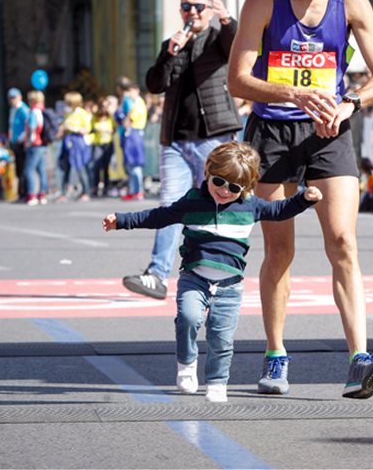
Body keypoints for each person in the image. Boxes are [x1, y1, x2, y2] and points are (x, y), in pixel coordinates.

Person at [227, 0, 373, 399]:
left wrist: (349, 104)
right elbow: (237, 80)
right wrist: (292, 94)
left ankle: (360, 359)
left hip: (330, 132)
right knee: (280, 249)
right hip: (273, 134)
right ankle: (276, 354)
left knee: (343, 239)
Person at [102, 141, 322, 403]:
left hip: (230, 285)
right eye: (218, 182)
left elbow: (279, 210)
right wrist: (122, 221)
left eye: (233, 187)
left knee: (221, 338)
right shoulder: (193, 202)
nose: (224, 191)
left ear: (246, 188)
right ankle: (187, 362)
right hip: (194, 278)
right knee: (188, 317)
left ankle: (217, 381)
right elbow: (159, 216)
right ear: (207, 173)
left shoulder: (250, 207)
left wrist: (303, 199)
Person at [121, 0, 243, 301]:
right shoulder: (173, 44)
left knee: (217, 207)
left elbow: (237, 47)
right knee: (171, 207)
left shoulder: (218, 39)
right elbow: (154, 83)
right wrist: (168, 53)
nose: (193, 13)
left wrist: (227, 18)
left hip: (212, 137)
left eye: (199, 7)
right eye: (187, 7)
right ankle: (157, 275)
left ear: (210, 10)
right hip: (175, 141)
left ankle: (219, 273)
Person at [116, 82, 149, 201]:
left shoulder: (139, 103)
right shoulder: (134, 103)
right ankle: (133, 190)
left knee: (135, 164)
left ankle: (138, 191)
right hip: (131, 134)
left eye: (131, 91)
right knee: (130, 165)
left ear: (137, 90)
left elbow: (128, 120)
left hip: (135, 134)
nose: (129, 94)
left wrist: (125, 119)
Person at [58, 91, 93, 202]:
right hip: (67, 141)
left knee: (80, 166)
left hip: (77, 142)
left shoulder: (82, 114)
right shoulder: (67, 113)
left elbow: (87, 129)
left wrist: (74, 129)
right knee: (66, 167)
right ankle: (63, 192)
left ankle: (86, 191)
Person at [24, 90, 49, 206]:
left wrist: (29, 141)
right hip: (43, 144)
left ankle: (31, 194)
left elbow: (32, 128)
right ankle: (42, 194)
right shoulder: (43, 111)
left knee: (29, 170)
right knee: (42, 170)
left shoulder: (33, 112)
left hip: (35, 144)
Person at [7, 88, 30, 201]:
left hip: (22, 143)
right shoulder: (13, 110)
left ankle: (25, 192)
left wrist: (21, 139)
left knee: (23, 169)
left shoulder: (24, 110)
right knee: (18, 169)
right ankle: (20, 193)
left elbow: (28, 126)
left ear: (19, 97)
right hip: (15, 143)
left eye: (14, 97)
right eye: (10, 98)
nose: (12, 100)